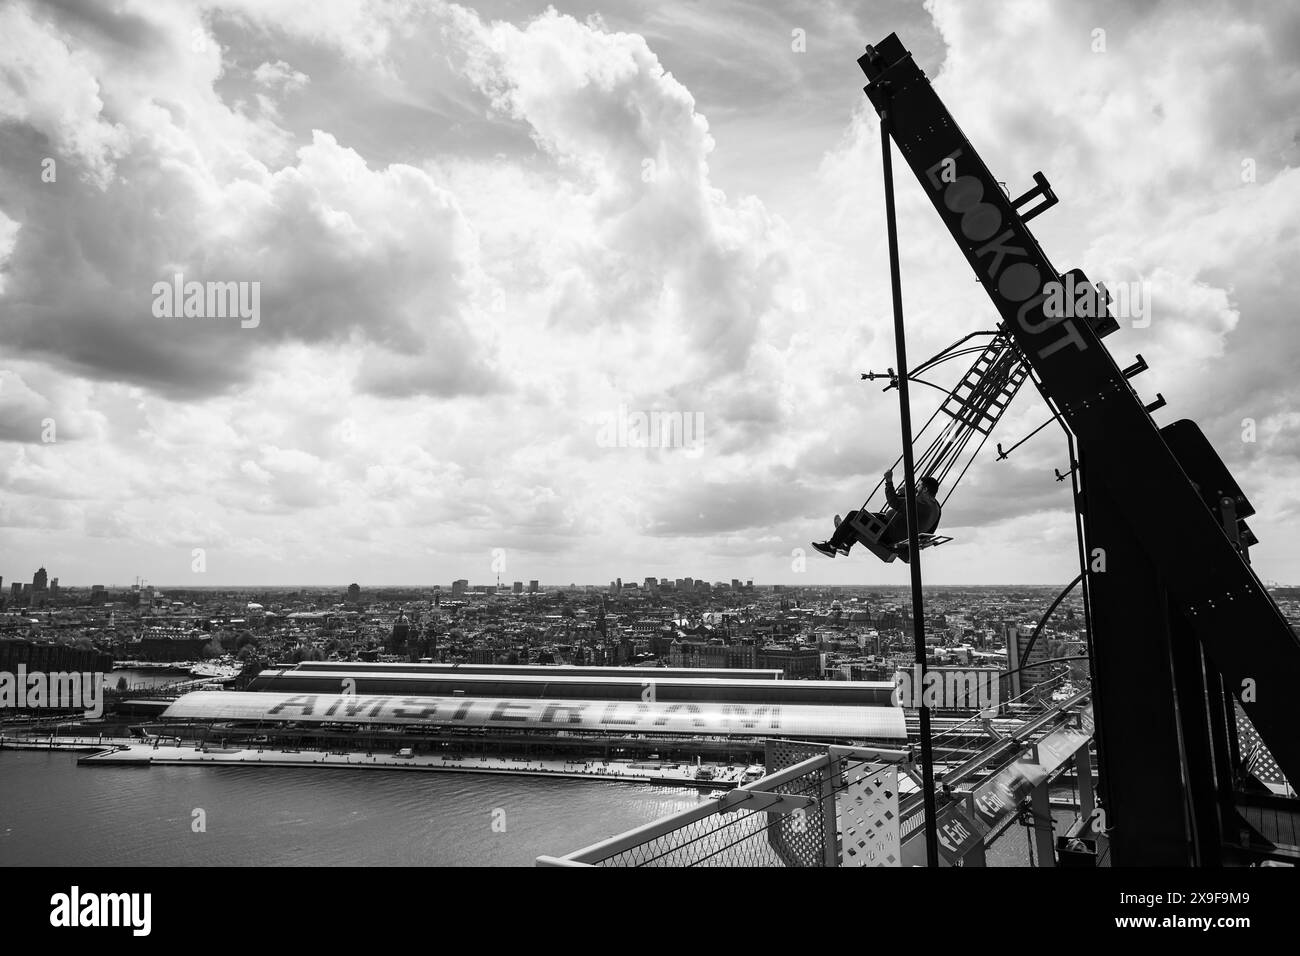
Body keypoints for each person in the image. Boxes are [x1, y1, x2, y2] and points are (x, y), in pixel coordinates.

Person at [812, 470, 941, 562]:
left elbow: (893, 502)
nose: (916, 488)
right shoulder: (936, 507)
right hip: (900, 535)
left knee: (854, 517)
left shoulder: (918, 502)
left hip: (888, 535)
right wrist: (906, 495)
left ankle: (832, 546)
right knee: (871, 517)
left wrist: (889, 481)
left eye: (919, 486)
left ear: (925, 489)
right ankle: (846, 544)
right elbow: (930, 529)